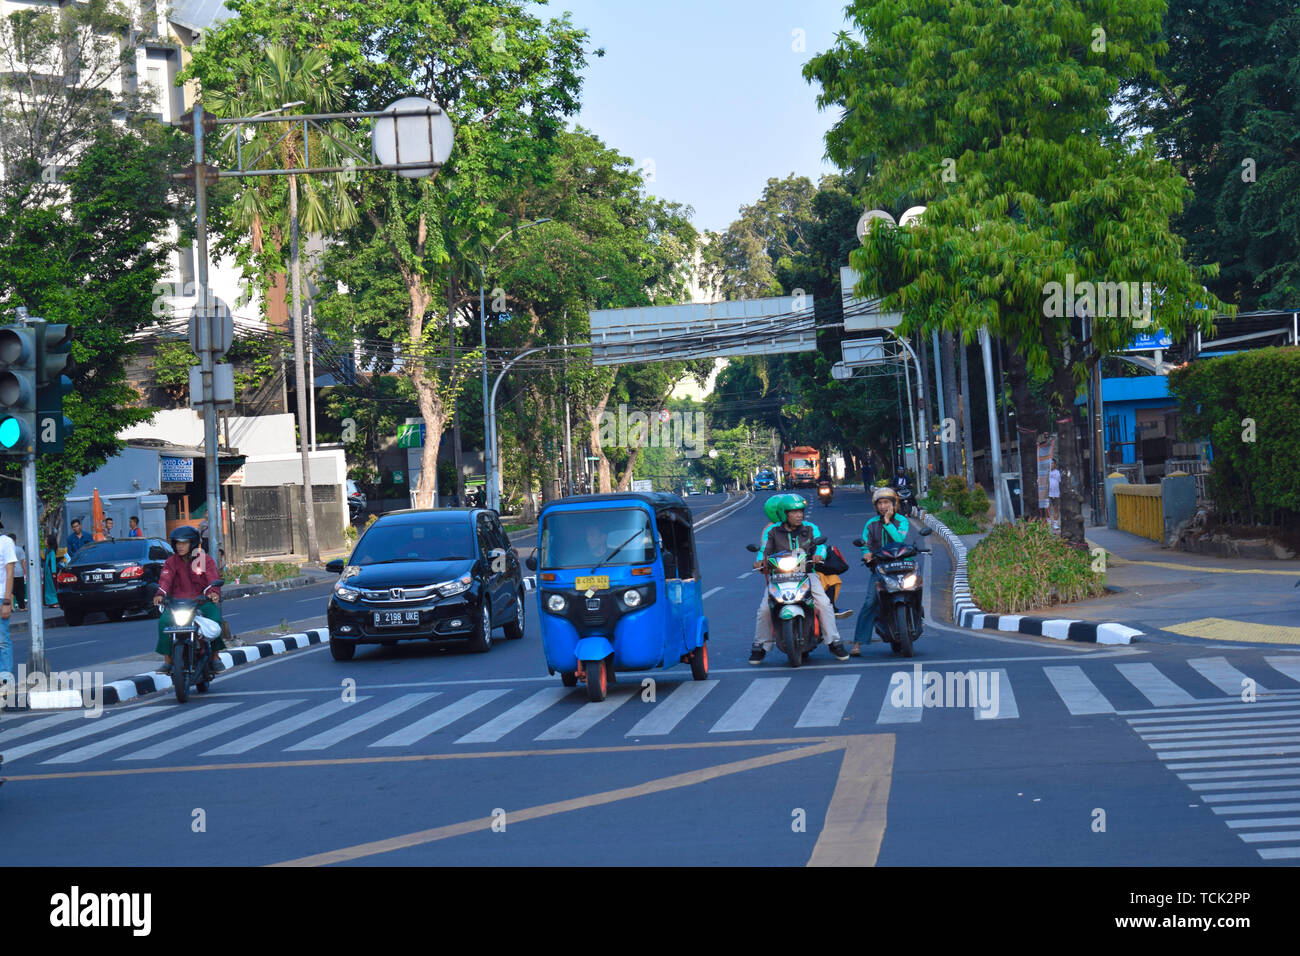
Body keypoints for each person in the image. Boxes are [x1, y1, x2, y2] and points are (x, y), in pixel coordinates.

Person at [750, 493, 849, 664]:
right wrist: (759, 561)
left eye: (800, 511)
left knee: (824, 604)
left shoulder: (810, 528)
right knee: (765, 609)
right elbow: (764, 550)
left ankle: (834, 641)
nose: (799, 515)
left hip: (806, 574)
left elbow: (820, 547)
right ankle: (760, 645)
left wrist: (819, 555)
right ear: (783, 513)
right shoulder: (772, 531)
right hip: (779, 577)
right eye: (794, 512)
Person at [852, 486, 923, 655]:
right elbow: (865, 544)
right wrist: (867, 553)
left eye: (887, 503)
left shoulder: (901, 521)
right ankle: (857, 643)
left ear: (894, 504)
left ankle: (918, 616)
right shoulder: (870, 524)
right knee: (870, 602)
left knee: (916, 589)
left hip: (903, 566)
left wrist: (888, 522)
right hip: (881, 568)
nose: (883, 506)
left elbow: (899, 539)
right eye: (880, 503)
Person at [153, 526, 226, 675]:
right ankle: (167, 660)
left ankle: (215, 657)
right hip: (177, 604)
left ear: (192, 543)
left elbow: (213, 579)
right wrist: (160, 594)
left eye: (184, 543)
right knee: (163, 622)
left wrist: (213, 593)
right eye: (177, 543)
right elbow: (165, 580)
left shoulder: (204, 560)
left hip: (201, 602)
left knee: (215, 620)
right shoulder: (171, 562)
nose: (180, 546)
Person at [0, 530, 15, 689]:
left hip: (1, 597)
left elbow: (10, 572)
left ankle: (5, 679)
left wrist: (6, 600)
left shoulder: (5, 542)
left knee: (2, 640)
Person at [8, 534, 26, 611]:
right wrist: (25, 572)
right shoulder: (19, 549)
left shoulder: (7, 550)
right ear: (15, 540)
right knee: (20, 591)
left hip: (10, 572)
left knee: (11, 590)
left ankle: (11, 607)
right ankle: (22, 607)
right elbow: (23, 562)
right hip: (20, 572)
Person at [43, 534, 59, 607]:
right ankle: (50, 602)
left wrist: (53, 572)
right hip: (47, 572)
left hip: (50, 572)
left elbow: (52, 562)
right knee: (48, 587)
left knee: (52, 587)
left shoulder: (51, 551)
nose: (44, 541)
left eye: (46, 540)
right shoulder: (47, 550)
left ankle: (54, 601)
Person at [1048, 458, 1062, 531]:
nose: (1051, 465)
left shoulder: (1058, 472)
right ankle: (1049, 521)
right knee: (1047, 508)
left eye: (1052, 463)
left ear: (1055, 464)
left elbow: (1060, 481)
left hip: (1056, 493)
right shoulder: (1046, 472)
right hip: (1047, 493)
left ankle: (1056, 524)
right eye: (1050, 463)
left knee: (1056, 509)